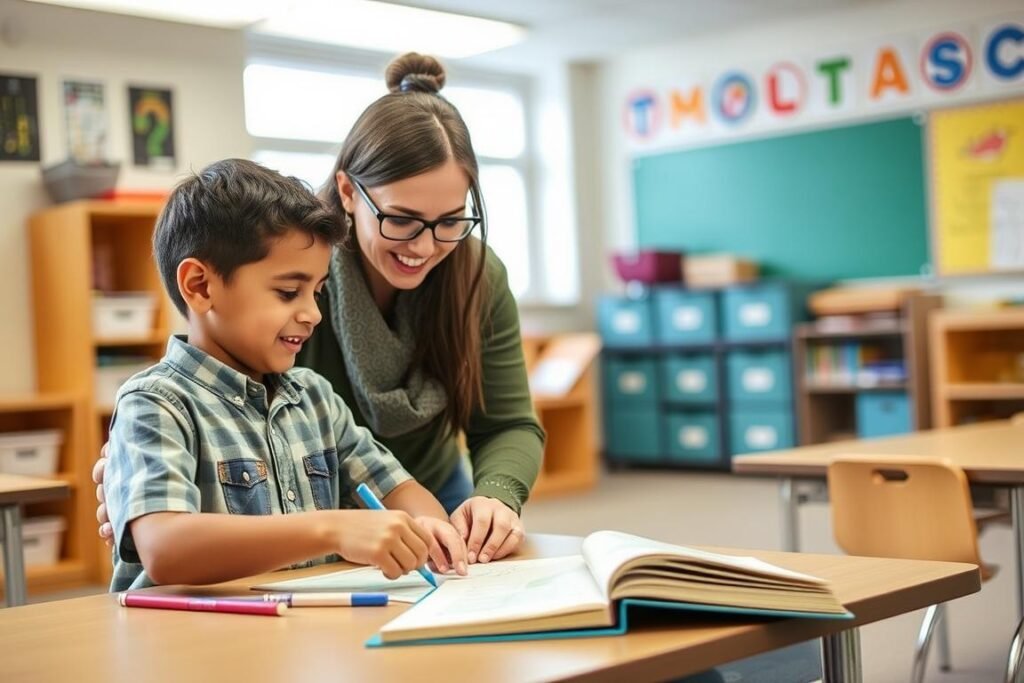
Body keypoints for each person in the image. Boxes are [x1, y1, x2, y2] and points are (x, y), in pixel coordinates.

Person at [95, 51, 544, 567]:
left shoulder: (315, 395)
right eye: (402, 219)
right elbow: (167, 539)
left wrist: (464, 513)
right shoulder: (299, 254)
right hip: (302, 545)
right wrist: (129, 480)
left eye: (449, 221)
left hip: (371, 520)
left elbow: (485, 438)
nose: (424, 245)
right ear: (350, 193)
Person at [104, 158, 467, 591]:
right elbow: (166, 549)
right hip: (189, 647)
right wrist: (333, 529)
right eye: (288, 292)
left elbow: (400, 491)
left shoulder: (314, 399)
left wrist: (427, 526)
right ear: (200, 286)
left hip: (297, 641)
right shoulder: (156, 403)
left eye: (317, 292)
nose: (313, 314)